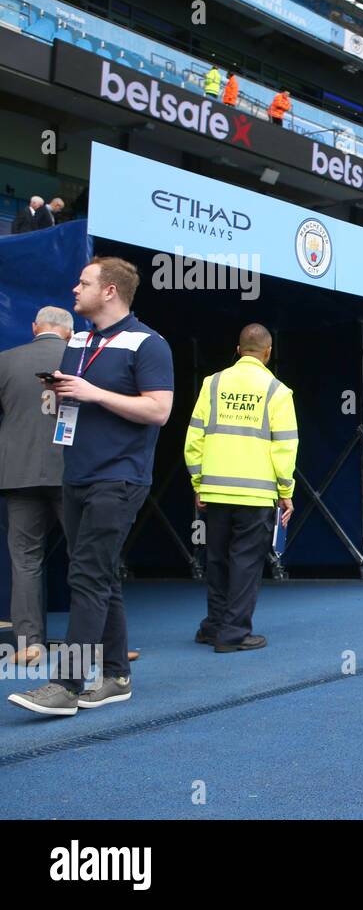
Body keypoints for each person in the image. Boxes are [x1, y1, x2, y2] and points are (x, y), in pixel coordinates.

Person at [8, 257, 173, 717]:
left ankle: (67, 683)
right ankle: (117, 675)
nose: (74, 288)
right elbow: (77, 398)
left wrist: (92, 393)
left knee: (86, 576)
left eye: (84, 282)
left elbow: (159, 411)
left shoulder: (149, 343)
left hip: (118, 477)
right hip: (76, 473)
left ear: (110, 292)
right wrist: (64, 391)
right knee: (100, 577)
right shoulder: (77, 340)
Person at [186, 324, 297, 653]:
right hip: (256, 494)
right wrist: (286, 490)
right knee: (246, 564)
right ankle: (233, 634)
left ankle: (213, 626)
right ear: (268, 353)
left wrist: (198, 482)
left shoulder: (212, 383)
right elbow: (285, 446)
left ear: (237, 349)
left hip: (216, 492)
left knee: (217, 560)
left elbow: (194, 439)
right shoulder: (278, 391)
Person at [0, 307, 74, 666]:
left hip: (18, 473)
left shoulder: (6, 360)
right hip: (72, 473)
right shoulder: (82, 359)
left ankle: (28, 645)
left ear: (34, 327)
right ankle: (101, 642)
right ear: (70, 333)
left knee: (25, 559)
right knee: (87, 558)